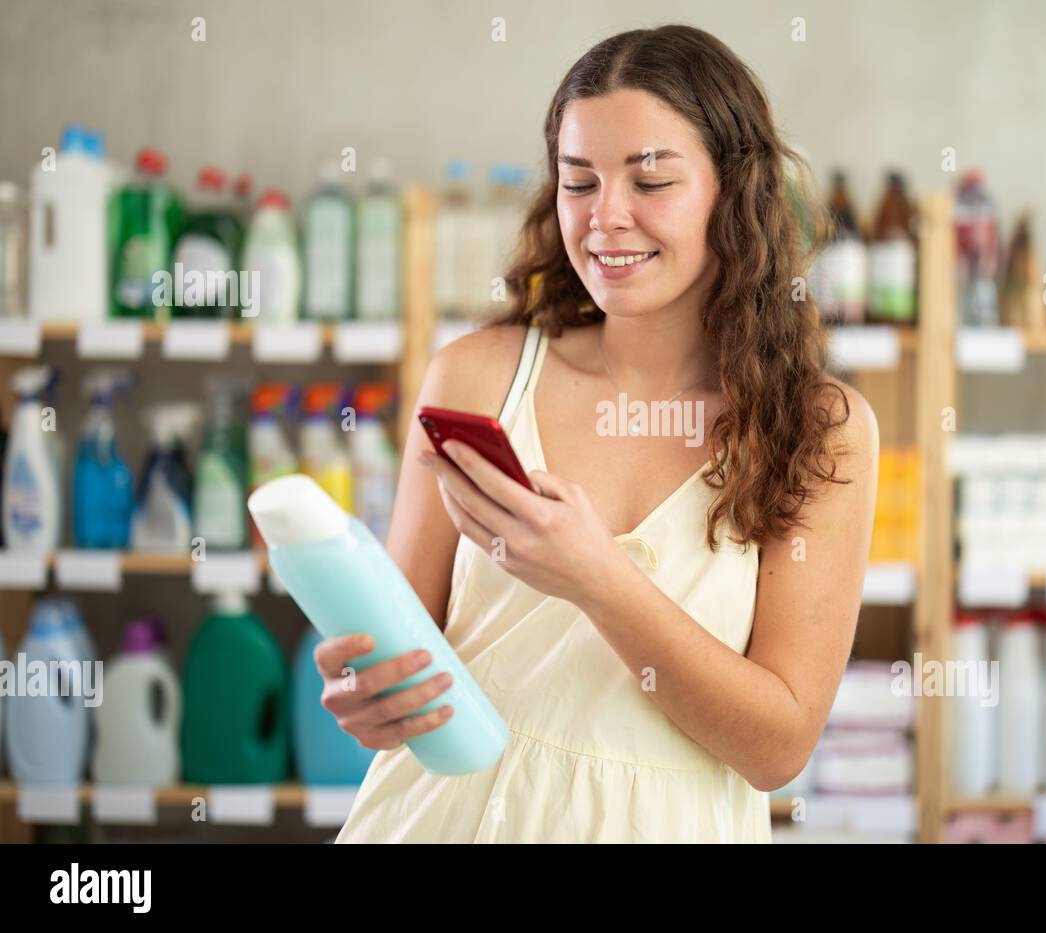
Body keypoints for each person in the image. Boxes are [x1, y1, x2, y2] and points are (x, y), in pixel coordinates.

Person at [328, 23, 878, 843]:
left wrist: (599, 578)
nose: (604, 217)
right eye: (577, 181)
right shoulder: (477, 379)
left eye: (650, 180)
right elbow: (405, 659)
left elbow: (778, 745)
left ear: (734, 192)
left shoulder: (821, 430)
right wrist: (368, 692)